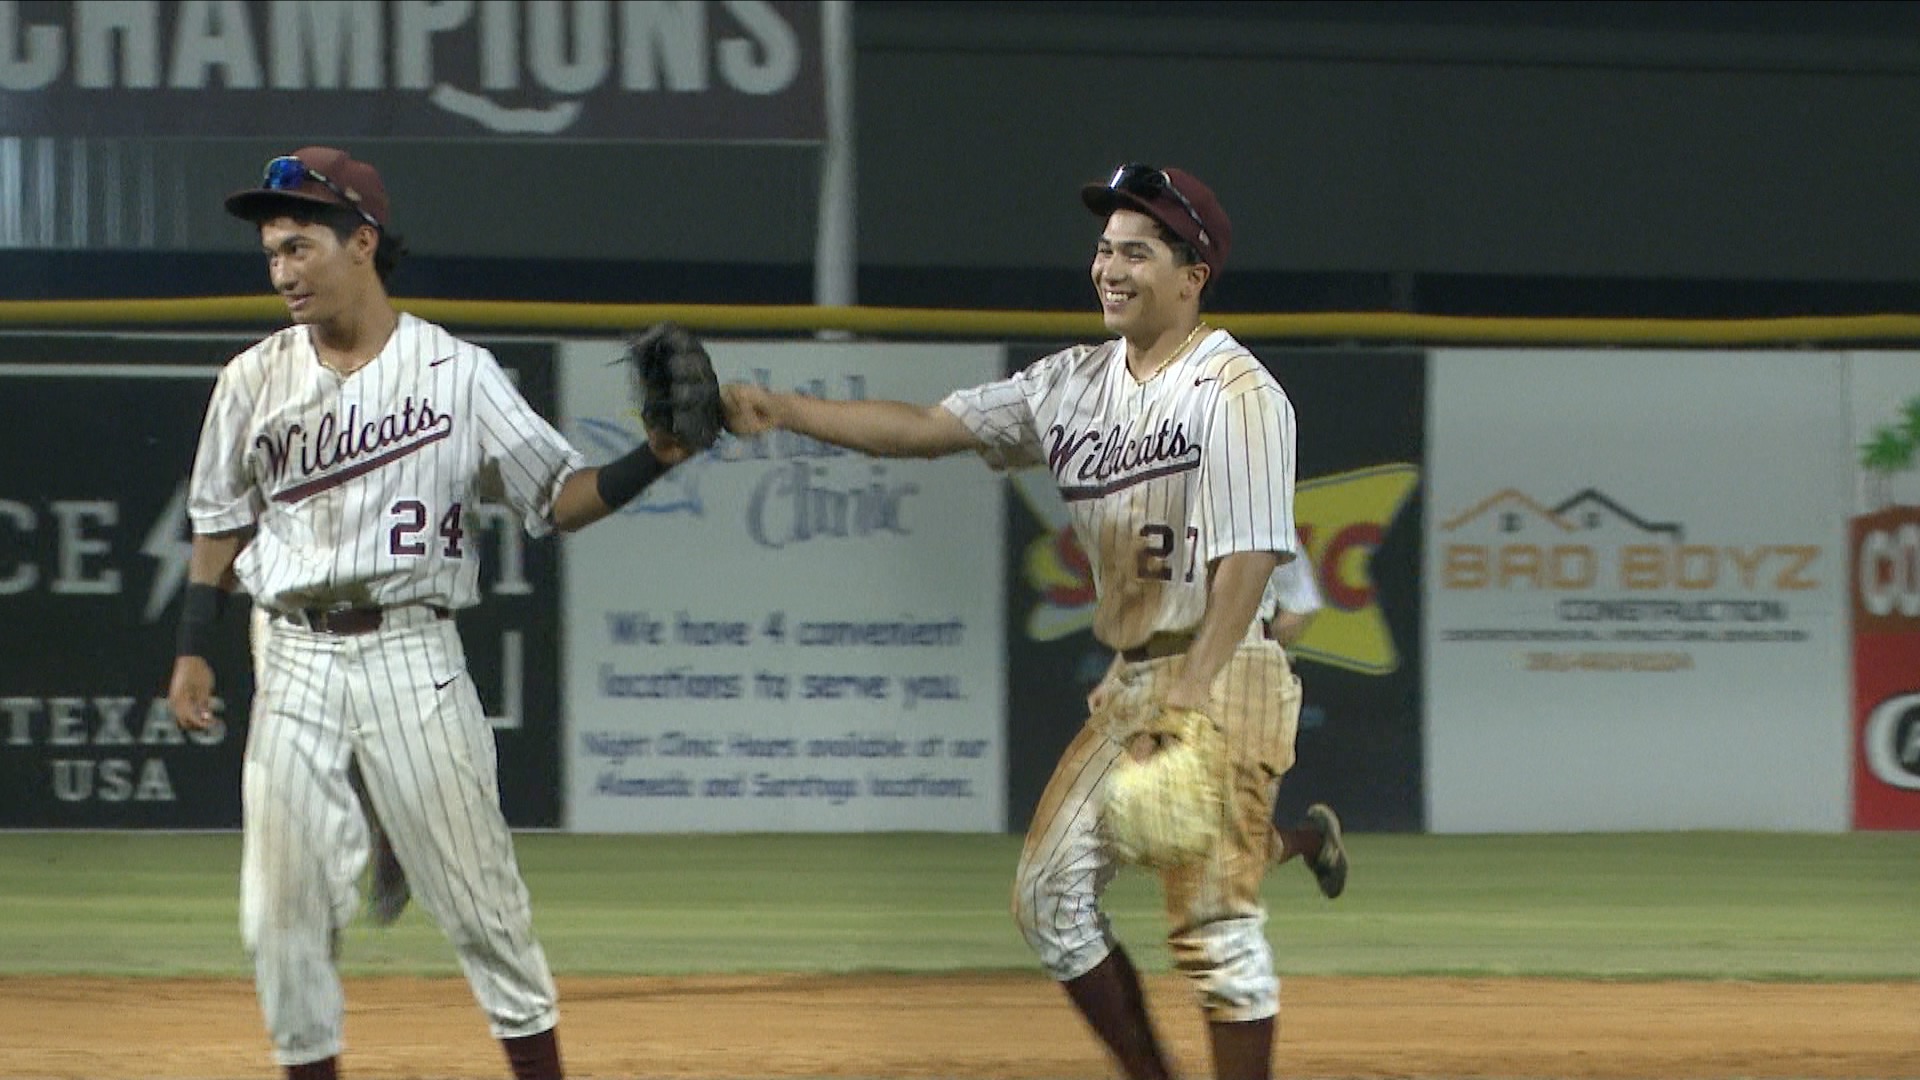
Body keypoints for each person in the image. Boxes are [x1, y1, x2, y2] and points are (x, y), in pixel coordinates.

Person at [726, 163, 1344, 1080]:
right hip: (1137, 676)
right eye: (1103, 249)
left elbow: (1252, 557)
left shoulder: (1236, 392)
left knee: (1214, 923)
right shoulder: (1070, 385)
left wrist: (1195, 684)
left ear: (1192, 273)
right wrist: (785, 410)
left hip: (1227, 672)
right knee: (1048, 897)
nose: (1110, 267)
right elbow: (926, 427)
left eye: (1137, 251)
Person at [166, 146, 700, 1080]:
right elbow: (218, 527)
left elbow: (558, 497)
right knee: (279, 913)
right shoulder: (251, 378)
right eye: (272, 254)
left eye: (299, 247)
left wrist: (655, 455)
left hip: (414, 652)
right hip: (289, 654)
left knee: (483, 908)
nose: (282, 272)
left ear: (361, 241)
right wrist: (194, 650)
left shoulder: (458, 374)